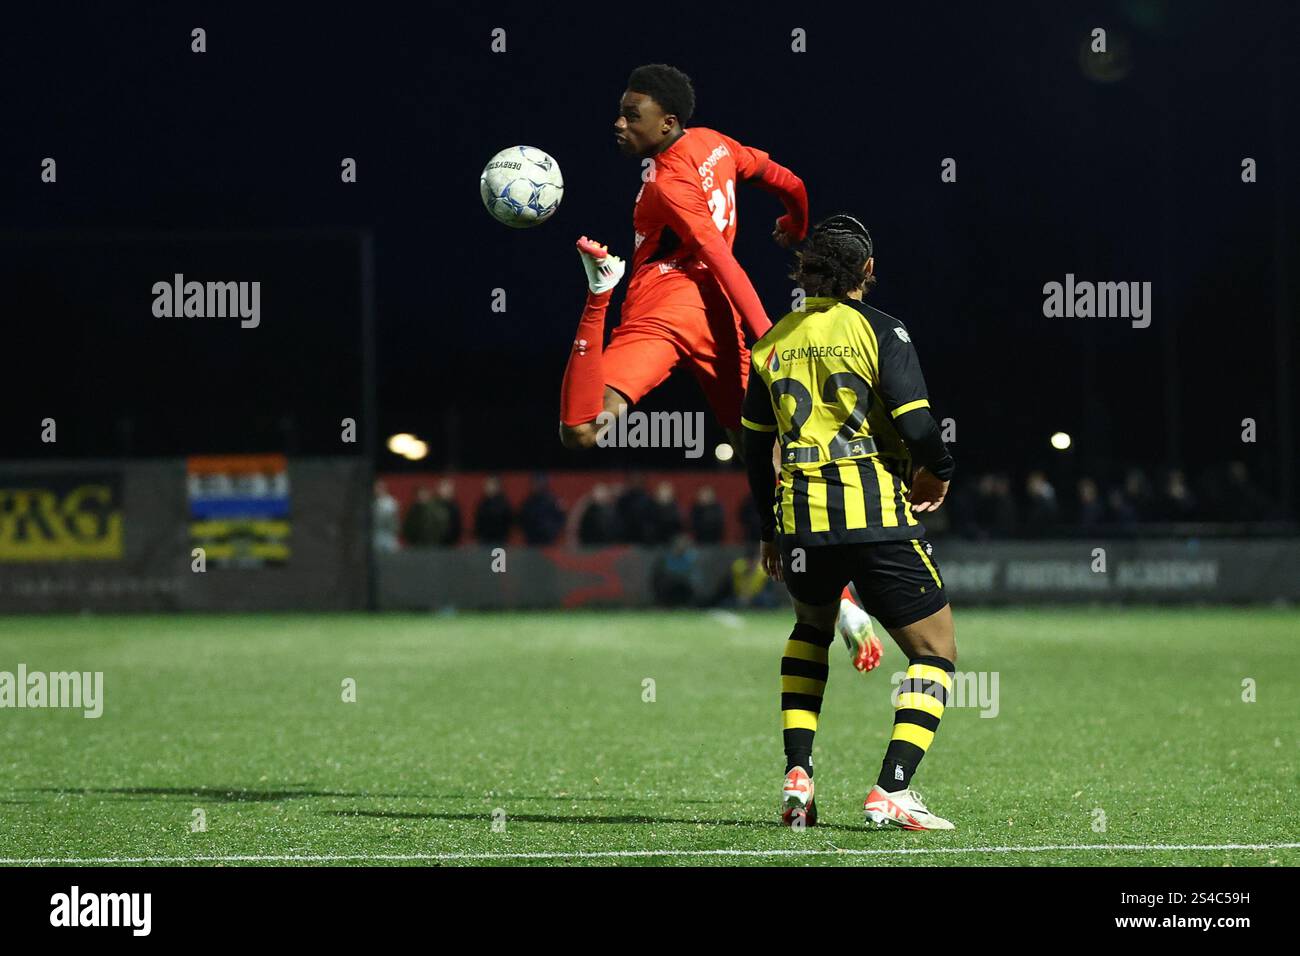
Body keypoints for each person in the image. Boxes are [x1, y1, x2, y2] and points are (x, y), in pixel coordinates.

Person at [741, 214, 959, 831]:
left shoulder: (772, 342)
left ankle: (798, 774)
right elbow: (917, 425)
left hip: (802, 524)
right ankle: (892, 788)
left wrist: (768, 527)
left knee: (811, 629)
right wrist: (939, 471)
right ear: (866, 271)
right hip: (874, 515)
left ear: (805, 273)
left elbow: (756, 450)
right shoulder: (882, 330)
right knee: (934, 653)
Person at [556, 63, 808, 456]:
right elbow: (791, 183)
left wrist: (770, 337)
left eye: (633, 116)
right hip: (717, 313)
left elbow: (720, 256)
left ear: (666, 123)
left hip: (665, 309)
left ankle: (598, 292)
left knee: (583, 430)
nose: (620, 124)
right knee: (758, 448)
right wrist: (796, 222)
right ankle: (801, 517)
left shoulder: (667, 183)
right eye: (621, 113)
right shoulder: (714, 143)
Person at [474, 476, 513, 544]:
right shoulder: (482, 503)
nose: (487, 487)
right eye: (487, 485)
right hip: (484, 542)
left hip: (500, 541)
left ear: (497, 486)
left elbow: (508, 522)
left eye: (490, 485)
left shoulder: (503, 504)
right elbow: (478, 522)